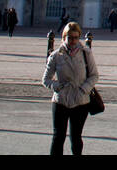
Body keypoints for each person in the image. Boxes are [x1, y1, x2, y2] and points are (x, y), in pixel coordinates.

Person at [42, 21, 99, 155]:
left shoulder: (86, 53)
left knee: (76, 138)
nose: (73, 41)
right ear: (64, 37)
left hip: (80, 101)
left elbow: (94, 75)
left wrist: (84, 89)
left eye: (76, 37)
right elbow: (45, 79)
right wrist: (57, 86)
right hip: (61, 100)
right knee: (58, 137)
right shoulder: (56, 56)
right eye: (70, 38)